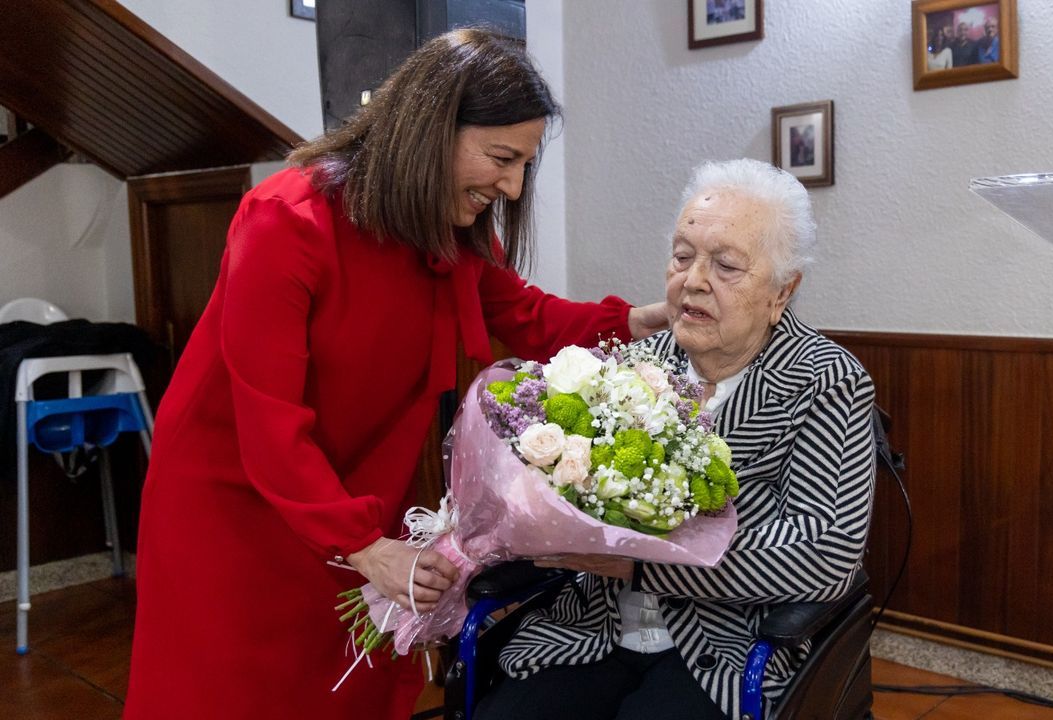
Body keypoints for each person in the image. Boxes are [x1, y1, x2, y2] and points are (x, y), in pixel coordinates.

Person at [124, 28, 667, 720]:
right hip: (234, 511)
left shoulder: (452, 229)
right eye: (502, 158)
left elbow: (528, 316)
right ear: (431, 130)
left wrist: (638, 320)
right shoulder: (287, 221)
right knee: (234, 691)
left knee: (347, 685)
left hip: (354, 496)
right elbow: (269, 423)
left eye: (525, 164)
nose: (512, 185)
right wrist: (363, 546)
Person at [475, 159, 879, 720]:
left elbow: (825, 552)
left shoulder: (824, 379)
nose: (693, 280)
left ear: (782, 291)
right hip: (595, 626)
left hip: (727, 644)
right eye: (683, 256)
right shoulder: (634, 364)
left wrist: (645, 566)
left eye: (727, 265)